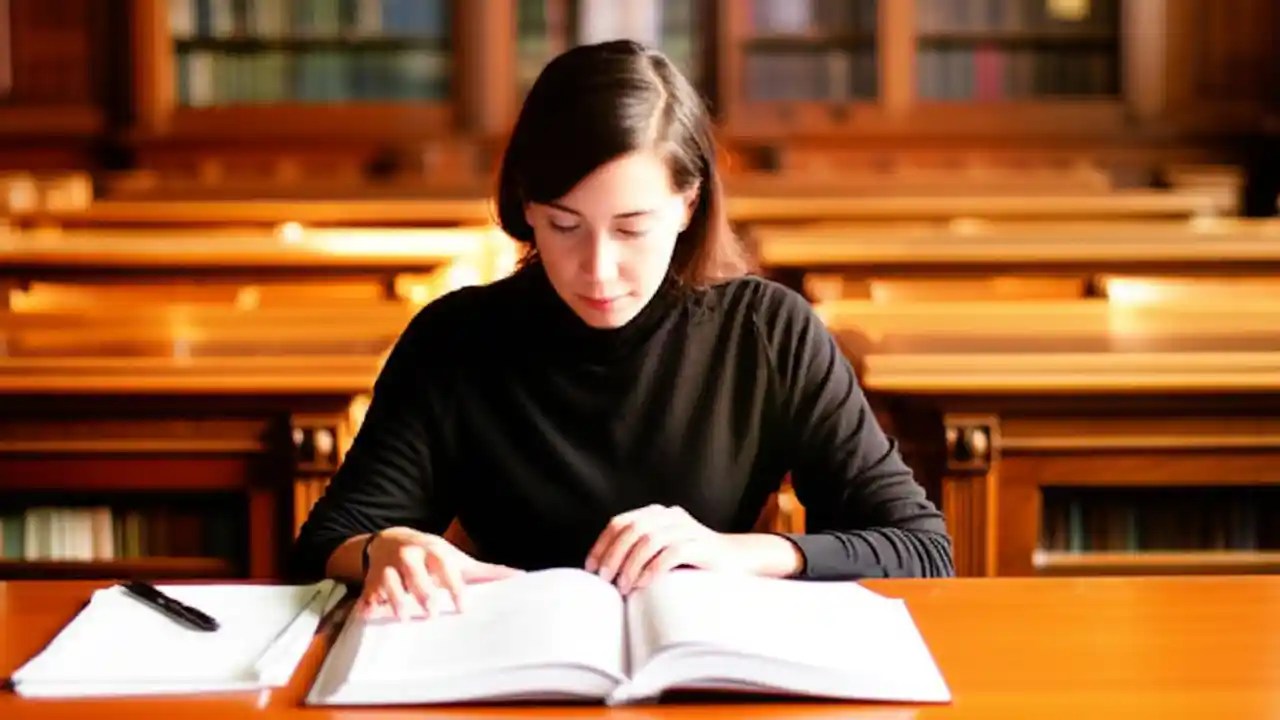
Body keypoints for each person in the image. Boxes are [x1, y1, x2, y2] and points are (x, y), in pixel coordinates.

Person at [291, 40, 953, 620]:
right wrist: (384, 548)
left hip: (702, 676)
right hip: (511, 675)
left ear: (688, 204)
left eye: (632, 228)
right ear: (526, 208)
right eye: (564, 226)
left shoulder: (767, 332)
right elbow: (329, 543)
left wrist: (737, 553)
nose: (598, 271)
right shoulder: (454, 341)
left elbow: (921, 547)